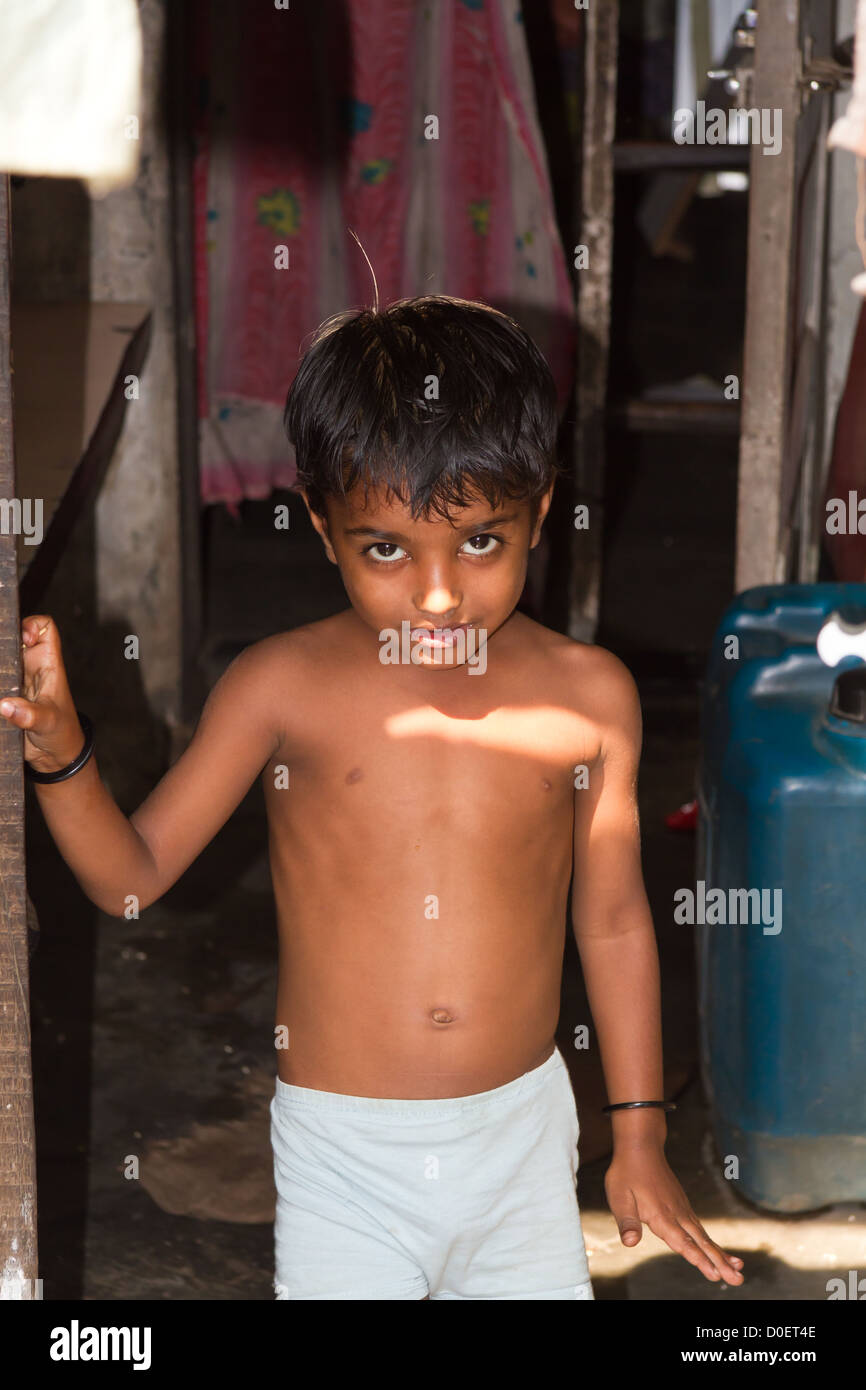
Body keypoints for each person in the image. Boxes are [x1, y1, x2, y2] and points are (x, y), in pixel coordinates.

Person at [3, 295, 745, 1301]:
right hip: (343, 1154)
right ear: (320, 525)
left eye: (480, 541)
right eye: (385, 549)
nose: (437, 596)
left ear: (538, 509)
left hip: (524, 1141)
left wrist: (639, 1132)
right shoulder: (280, 687)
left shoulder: (590, 697)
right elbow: (126, 879)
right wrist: (60, 750)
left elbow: (611, 923)